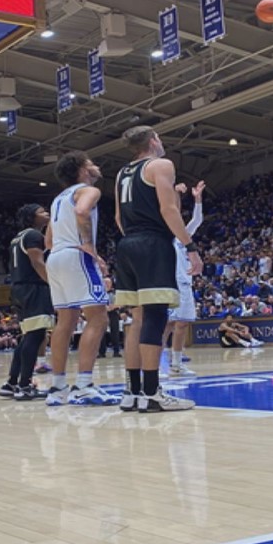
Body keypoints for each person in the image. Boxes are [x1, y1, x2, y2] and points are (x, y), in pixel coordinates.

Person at [113, 126, 202, 413]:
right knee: (155, 316)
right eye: (160, 137)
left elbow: (118, 216)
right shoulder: (161, 164)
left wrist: (134, 239)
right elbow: (169, 209)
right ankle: (152, 393)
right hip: (152, 243)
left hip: (127, 243)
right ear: (153, 141)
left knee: (136, 321)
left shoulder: (122, 173)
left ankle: (132, 392)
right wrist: (189, 247)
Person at [44, 151, 118, 406]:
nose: (95, 166)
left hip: (55, 258)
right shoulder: (88, 190)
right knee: (98, 317)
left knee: (65, 320)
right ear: (82, 169)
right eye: (91, 163)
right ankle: (84, 386)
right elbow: (83, 211)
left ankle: (58, 387)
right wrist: (89, 247)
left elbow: (48, 241)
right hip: (76, 256)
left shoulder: (57, 200)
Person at [0, 204, 54, 402]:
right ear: (32, 217)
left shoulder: (18, 236)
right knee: (36, 336)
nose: (46, 213)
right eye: (41, 211)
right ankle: (24, 385)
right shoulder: (32, 235)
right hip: (33, 288)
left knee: (28, 336)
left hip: (19, 289)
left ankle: (12, 382)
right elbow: (37, 262)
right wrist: (52, 283)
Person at [164, 180, 206, 378]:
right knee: (167, 325)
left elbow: (197, 220)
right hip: (169, 283)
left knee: (182, 324)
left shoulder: (184, 236)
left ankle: (177, 364)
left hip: (185, 283)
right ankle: (155, 364)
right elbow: (171, 209)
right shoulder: (164, 237)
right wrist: (175, 193)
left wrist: (197, 200)